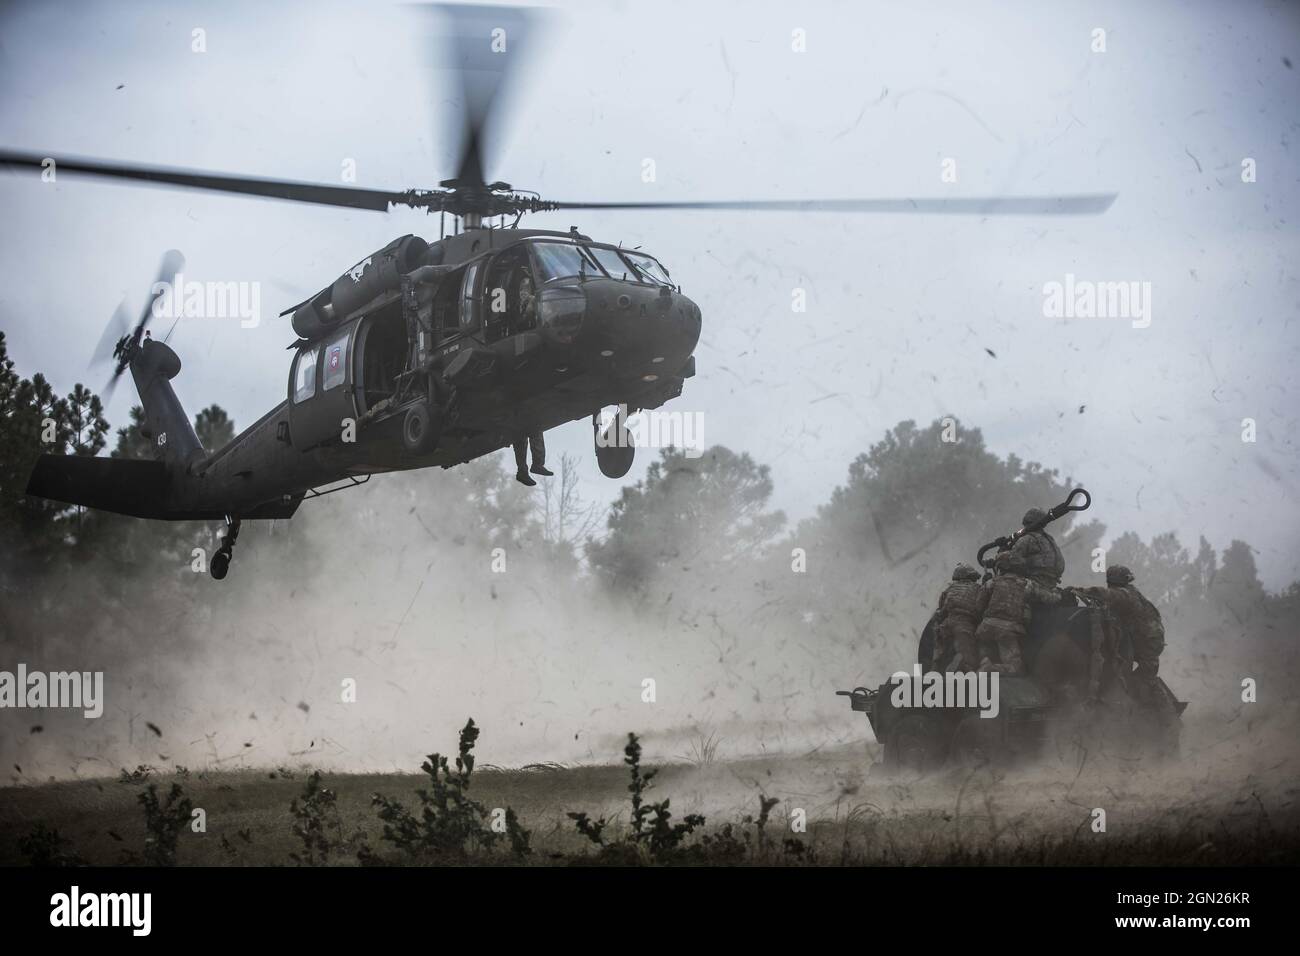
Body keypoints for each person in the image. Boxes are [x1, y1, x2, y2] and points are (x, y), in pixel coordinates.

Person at [976, 507, 1066, 674]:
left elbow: (1011, 559)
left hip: (1034, 584)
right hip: (1049, 585)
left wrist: (1000, 555)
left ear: (1027, 523)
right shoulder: (1051, 541)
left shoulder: (1026, 540)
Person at [935, 563, 983, 671]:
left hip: (946, 624)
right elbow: (981, 607)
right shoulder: (978, 588)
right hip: (964, 625)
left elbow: (941, 609)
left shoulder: (949, 588)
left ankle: (935, 668)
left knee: (939, 652)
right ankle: (959, 662)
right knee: (969, 661)